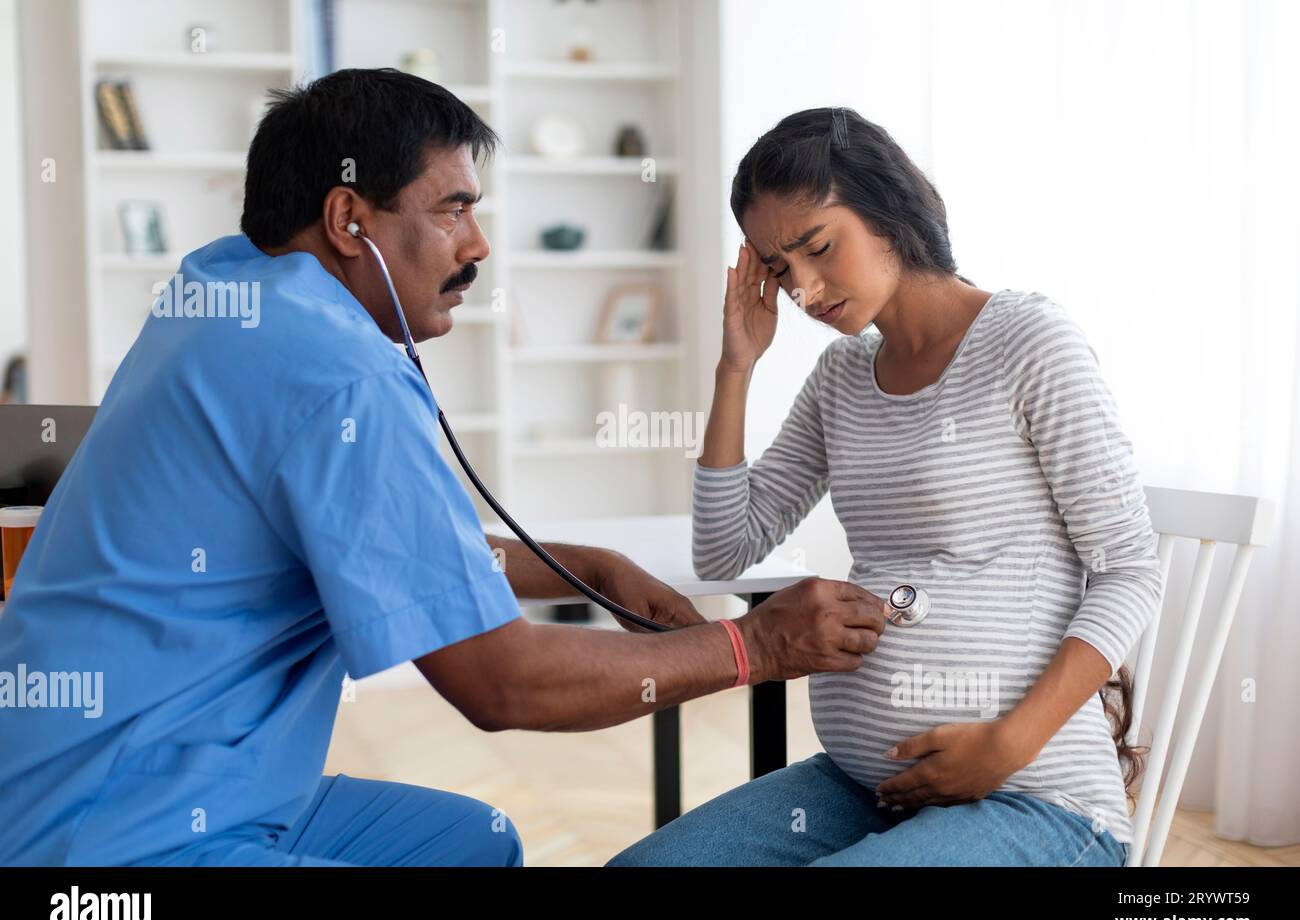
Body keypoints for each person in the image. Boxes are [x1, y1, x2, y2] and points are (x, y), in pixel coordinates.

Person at [0, 74, 887, 867]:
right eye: (453, 210)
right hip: (113, 832)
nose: (479, 246)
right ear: (351, 221)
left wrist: (595, 568)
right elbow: (501, 683)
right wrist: (756, 646)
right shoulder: (336, 372)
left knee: (475, 840)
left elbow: (385, 547)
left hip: (165, 773)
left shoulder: (225, 297)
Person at [609, 107, 1162, 867]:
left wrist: (1006, 745)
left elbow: (1130, 568)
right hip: (863, 788)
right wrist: (736, 366)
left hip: (1035, 797)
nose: (802, 289)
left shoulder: (1029, 343)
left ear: (887, 207)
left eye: (817, 248)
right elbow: (724, 546)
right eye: (778, 269)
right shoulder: (841, 378)